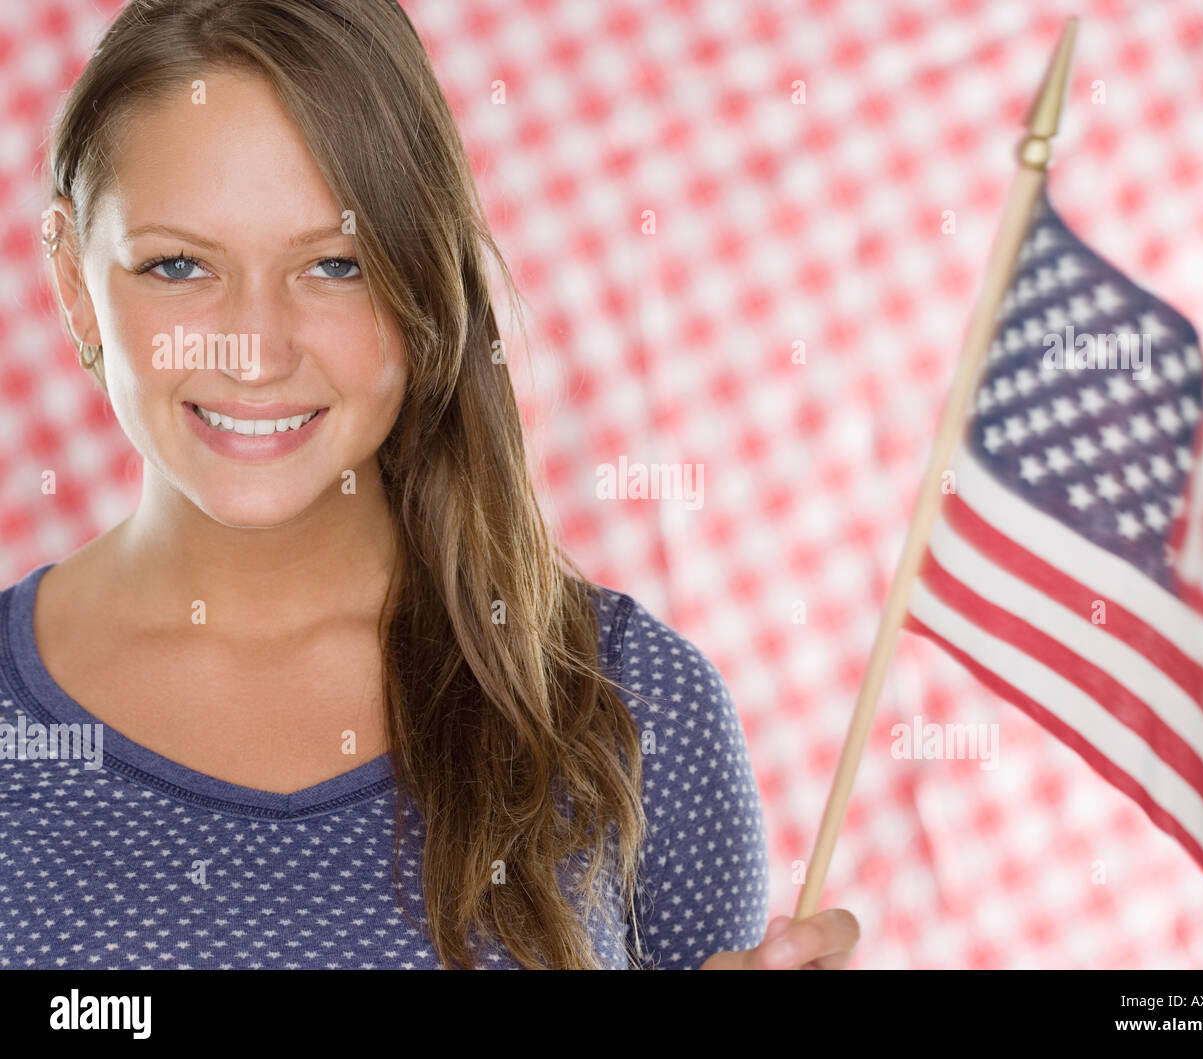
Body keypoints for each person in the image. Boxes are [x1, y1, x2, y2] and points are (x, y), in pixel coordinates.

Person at [0, 0, 859, 970]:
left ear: (424, 280)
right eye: (178, 265)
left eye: (335, 264)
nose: (254, 351)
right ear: (74, 279)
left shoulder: (631, 701)